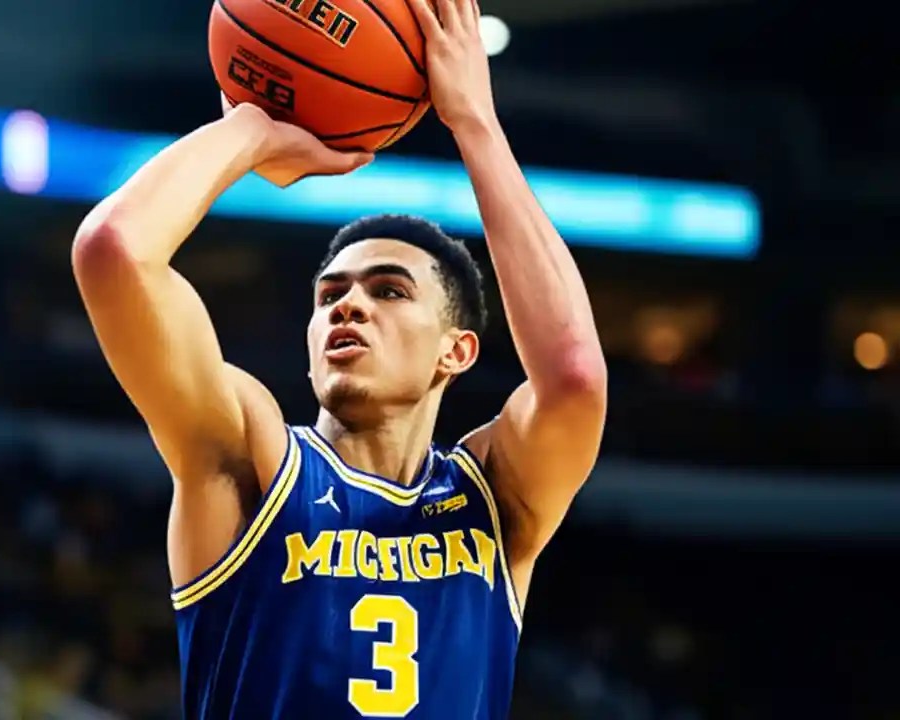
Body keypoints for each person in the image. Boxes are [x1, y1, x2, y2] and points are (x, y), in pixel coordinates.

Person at [70, 0, 607, 716]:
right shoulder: (252, 463)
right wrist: (251, 129)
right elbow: (114, 253)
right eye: (329, 296)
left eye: (389, 291)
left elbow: (572, 375)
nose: (348, 307)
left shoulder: (494, 502)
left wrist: (475, 122)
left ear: (458, 350)